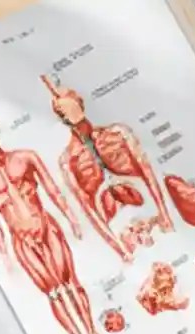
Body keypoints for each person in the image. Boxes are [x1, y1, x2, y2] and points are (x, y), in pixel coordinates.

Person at [0, 116, 110, 334]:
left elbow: (52, 189)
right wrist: (4, 257)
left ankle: (92, 333)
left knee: (71, 283)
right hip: (22, 240)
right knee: (54, 292)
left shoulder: (26, 158)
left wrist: (71, 218)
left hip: (45, 226)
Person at [43, 75, 172, 262]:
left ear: (80, 102)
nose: (69, 106)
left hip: (148, 212)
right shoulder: (68, 161)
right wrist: (121, 251)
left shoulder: (119, 133)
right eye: (63, 105)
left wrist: (164, 215)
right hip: (118, 227)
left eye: (71, 99)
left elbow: (148, 173)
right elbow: (89, 210)